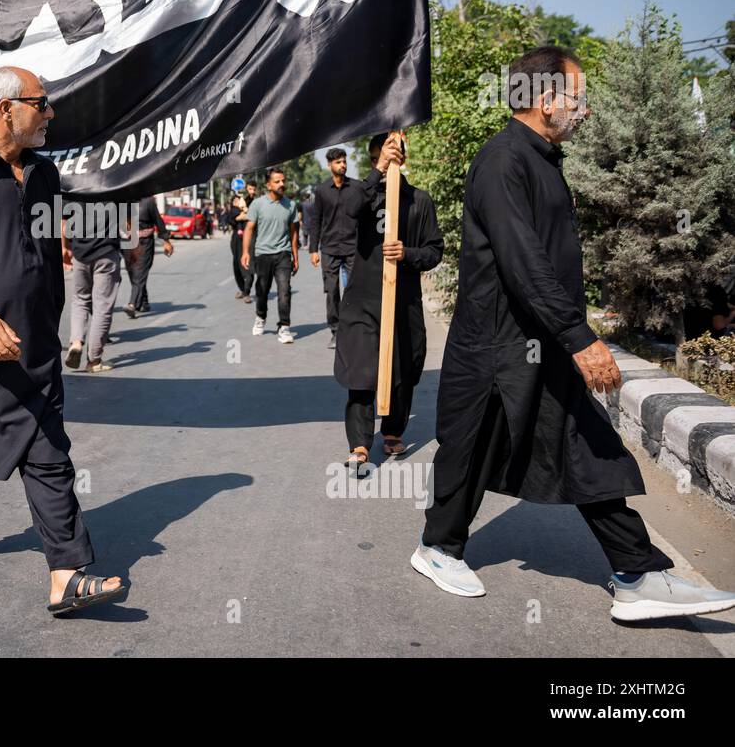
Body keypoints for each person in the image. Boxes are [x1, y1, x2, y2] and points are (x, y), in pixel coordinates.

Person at [412, 46, 735, 622]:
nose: (585, 111)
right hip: (496, 345)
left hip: (538, 340)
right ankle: (438, 547)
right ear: (545, 99)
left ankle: (637, 574)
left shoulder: (542, 160)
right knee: (470, 448)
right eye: (579, 99)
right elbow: (523, 261)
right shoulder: (502, 161)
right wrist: (581, 337)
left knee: (585, 445)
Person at [0, 65, 126, 615]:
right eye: (42, 103)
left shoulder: (45, 174)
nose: (50, 113)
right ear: (6, 108)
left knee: (49, 447)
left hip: (33, 343)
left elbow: (44, 257)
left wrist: (52, 320)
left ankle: (66, 571)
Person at [335, 134, 442, 472]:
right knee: (362, 372)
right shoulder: (363, 196)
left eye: (394, 154)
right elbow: (348, 211)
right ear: (373, 159)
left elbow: (434, 250)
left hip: (404, 302)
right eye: (382, 156)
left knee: (404, 370)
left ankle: (394, 429)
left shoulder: (419, 200)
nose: (390, 159)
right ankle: (360, 444)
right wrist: (379, 171)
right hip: (363, 302)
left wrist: (408, 253)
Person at [62, 196, 123, 373]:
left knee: (80, 300)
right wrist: (134, 248)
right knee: (102, 307)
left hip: (80, 254)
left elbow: (64, 221)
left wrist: (64, 248)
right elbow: (128, 218)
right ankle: (94, 360)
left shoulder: (76, 183)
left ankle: (76, 342)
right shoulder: (116, 181)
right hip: (106, 254)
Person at [240, 168, 300, 343]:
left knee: (284, 290)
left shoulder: (291, 205)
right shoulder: (258, 204)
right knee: (262, 291)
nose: (282, 184)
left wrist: (295, 256)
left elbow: (294, 232)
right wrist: (245, 252)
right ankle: (261, 316)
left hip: (283, 253)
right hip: (263, 254)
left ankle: (284, 326)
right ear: (268, 185)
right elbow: (249, 229)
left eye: (283, 180)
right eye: (277, 181)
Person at [309, 148, 358, 349]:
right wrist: (313, 249)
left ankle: (355, 329)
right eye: (338, 162)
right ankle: (336, 331)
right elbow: (316, 220)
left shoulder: (356, 188)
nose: (343, 165)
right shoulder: (321, 191)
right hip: (329, 248)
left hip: (353, 247)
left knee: (355, 290)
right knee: (331, 292)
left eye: (344, 161)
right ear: (330, 165)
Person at [123, 196, 173, 318]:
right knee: (131, 272)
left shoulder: (148, 201)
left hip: (145, 242)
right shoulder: (123, 200)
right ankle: (144, 302)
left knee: (140, 273)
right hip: (128, 243)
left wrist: (166, 240)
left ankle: (132, 304)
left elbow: (158, 220)